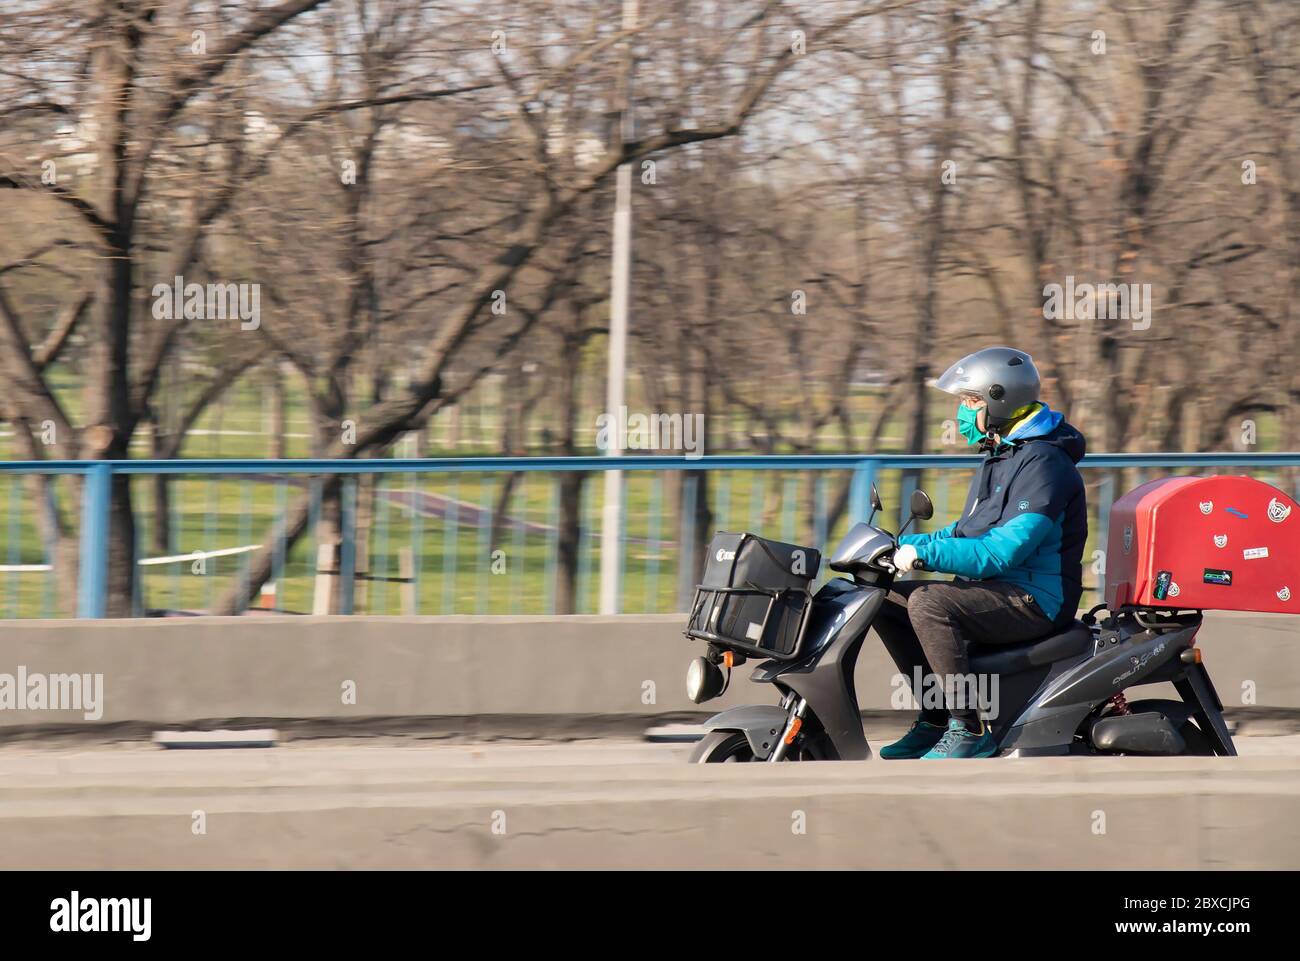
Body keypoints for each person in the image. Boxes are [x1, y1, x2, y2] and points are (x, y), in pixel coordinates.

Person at [874, 347, 1087, 759]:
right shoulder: (1001, 454)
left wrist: (925, 558)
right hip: (999, 590)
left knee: (928, 604)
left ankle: (968, 727)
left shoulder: (1044, 464)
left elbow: (1000, 553)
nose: (963, 413)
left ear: (998, 399)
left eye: (970, 402)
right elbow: (965, 530)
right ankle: (935, 718)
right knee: (888, 601)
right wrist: (901, 546)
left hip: (1036, 600)